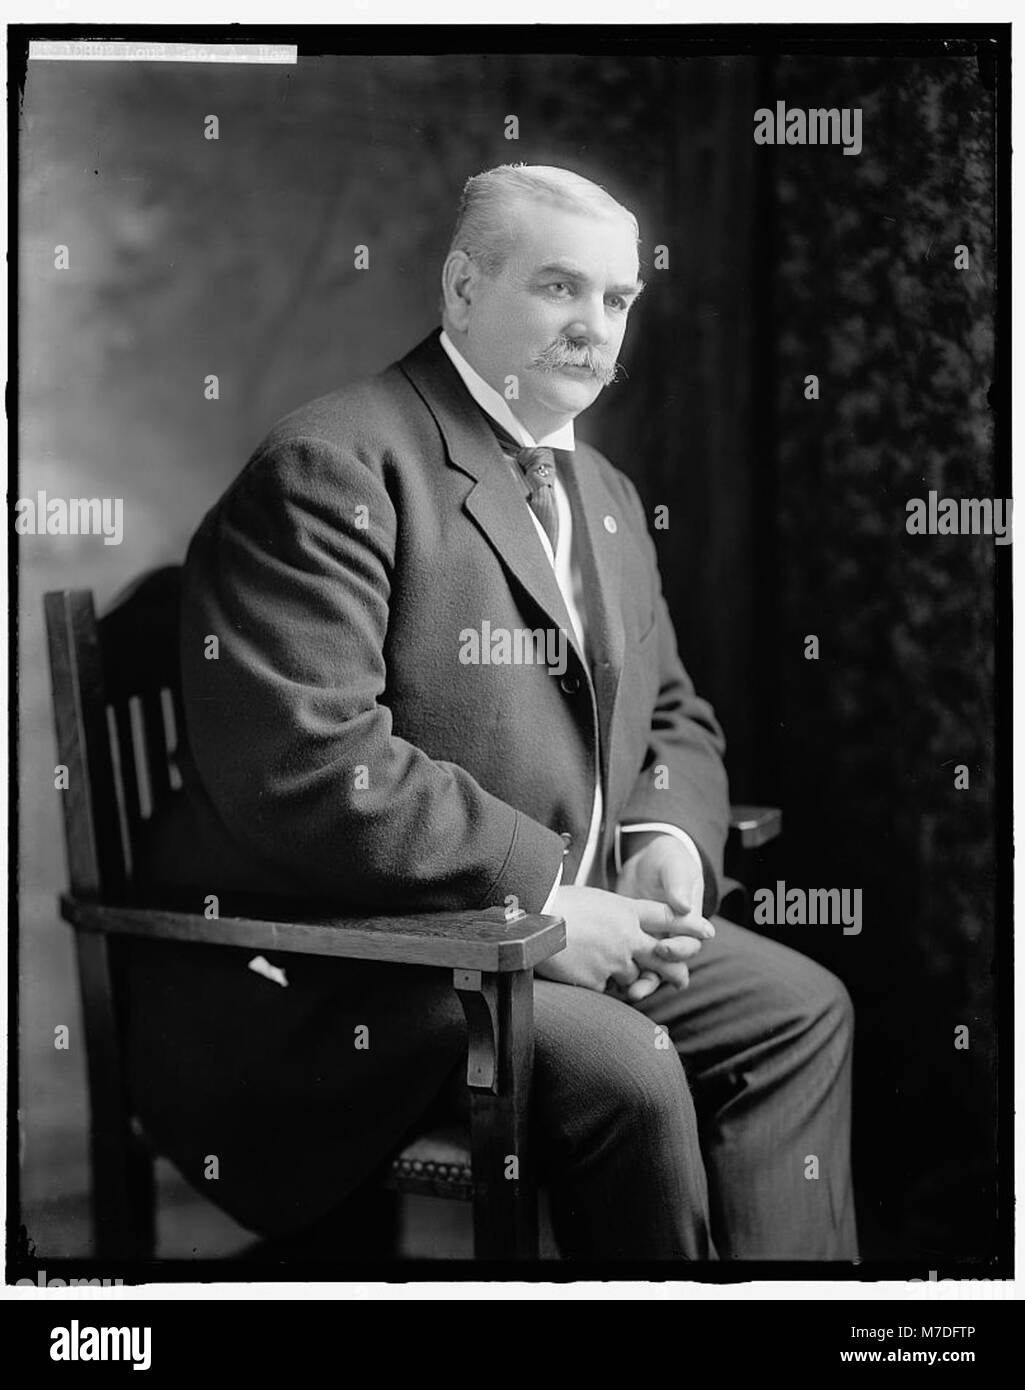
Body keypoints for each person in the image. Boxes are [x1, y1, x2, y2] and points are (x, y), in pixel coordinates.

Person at [125, 164, 857, 1260]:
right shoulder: (330, 467)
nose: (594, 328)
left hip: (549, 933)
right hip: (352, 969)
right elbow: (314, 769)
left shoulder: (601, 493)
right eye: (559, 288)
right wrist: (552, 902)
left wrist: (665, 849)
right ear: (461, 289)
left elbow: (672, 713)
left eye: (616, 301)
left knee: (798, 1007)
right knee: (627, 1071)